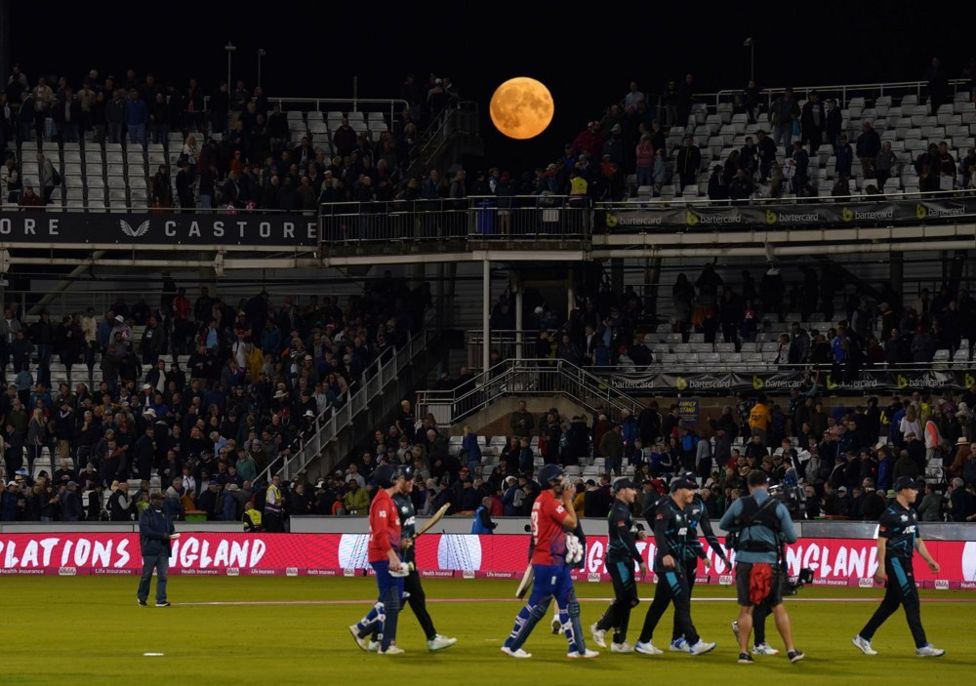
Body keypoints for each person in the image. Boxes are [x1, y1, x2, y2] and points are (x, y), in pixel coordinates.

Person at [501, 463, 597, 659]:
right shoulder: (548, 501)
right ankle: (511, 644)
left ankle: (575, 648)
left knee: (567, 604)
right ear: (552, 481)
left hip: (553, 560)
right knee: (535, 605)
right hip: (548, 561)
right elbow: (572, 522)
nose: (564, 481)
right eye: (561, 478)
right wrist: (569, 500)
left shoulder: (543, 500)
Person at [366, 465, 457, 652]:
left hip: (406, 554)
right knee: (401, 599)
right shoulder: (391, 501)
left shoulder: (407, 499)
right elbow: (388, 531)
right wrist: (400, 551)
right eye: (408, 480)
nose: (411, 483)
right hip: (400, 558)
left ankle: (375, 637)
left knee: (401, 599)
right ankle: (367, 632)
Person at [852, 476, 945, 657]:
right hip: (895, 561)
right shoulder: (890, 514)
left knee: (891, 604)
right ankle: (922, 646)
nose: (916, 491)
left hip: (905, 561)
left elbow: (917, 539)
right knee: (911, 600)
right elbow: (881, 543)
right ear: (902, 490)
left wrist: (929, 559)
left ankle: (863, 637)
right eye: (913, 488)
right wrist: (880, 568)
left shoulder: (912, 512)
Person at [720, 470, 804, 664]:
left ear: (749, 486)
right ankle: (791, 650)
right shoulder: (778, 506)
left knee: (746, 608)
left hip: (744, 561)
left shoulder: (740, 503)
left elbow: (724, 524)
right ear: (766, 485)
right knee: (777, 605)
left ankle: (743, 652)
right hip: (768, 562)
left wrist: (742, 527)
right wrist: (775, 534)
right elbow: (791, 538)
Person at [635, 475, 716, 656]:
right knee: (682, 601)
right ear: (679, 490)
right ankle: (694, 642)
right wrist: (665, 554)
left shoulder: (683, 510)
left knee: (660, 604)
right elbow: (659, 533)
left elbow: (689, 536)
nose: (692, 493)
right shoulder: (666, 508)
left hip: (676, 563)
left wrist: (702, 555)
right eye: (689, 489)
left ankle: (643, 641)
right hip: (668, 566)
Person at [349, 464, 408, 655]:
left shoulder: (387, 500)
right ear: (391, 480)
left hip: (386, 553)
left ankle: (365, 631)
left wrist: (400, 543)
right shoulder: (383, 501)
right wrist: (392, 555)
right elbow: (380, 532)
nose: (401, 480)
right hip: (383, 555)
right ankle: (385, 643)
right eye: (398, 477)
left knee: (391, 598)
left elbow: (388, 533)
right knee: (392, 600)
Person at [670, 474, 731, 651]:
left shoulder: (700, 506)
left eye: (693, 486)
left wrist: (721, 556)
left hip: (690, 557)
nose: (692, 490)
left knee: (682, 600)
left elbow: (708, 534)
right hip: (674, 557)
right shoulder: (673, 503)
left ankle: (675, 639)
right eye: (688, 486)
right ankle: (655, 639)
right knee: (671, 601)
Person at [591, 477, 647, 653]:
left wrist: (637, 532)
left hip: (622, 559)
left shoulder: (623, 510)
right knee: (628, 599)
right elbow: (624, 539)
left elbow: (626, 534)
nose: (635, 492)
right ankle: (601, 627)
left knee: (627, 600)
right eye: (632, 489)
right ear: (622, 490)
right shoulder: (619, 512)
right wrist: (641, 560)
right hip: (619, 560)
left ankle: (619, 641)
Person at [136, 491, 177, 607]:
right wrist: (163, 535)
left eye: (162, 499)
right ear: (152, 500)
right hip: (150, 549)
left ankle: (161, 599)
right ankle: (142, 597)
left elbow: (171, 528)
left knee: (163, 576)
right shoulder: (146, 513)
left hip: (163, 549)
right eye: (159, 499)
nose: (161, 501)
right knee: (146, 575)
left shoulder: (165, 514)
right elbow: (145, 531)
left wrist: (172, 534)